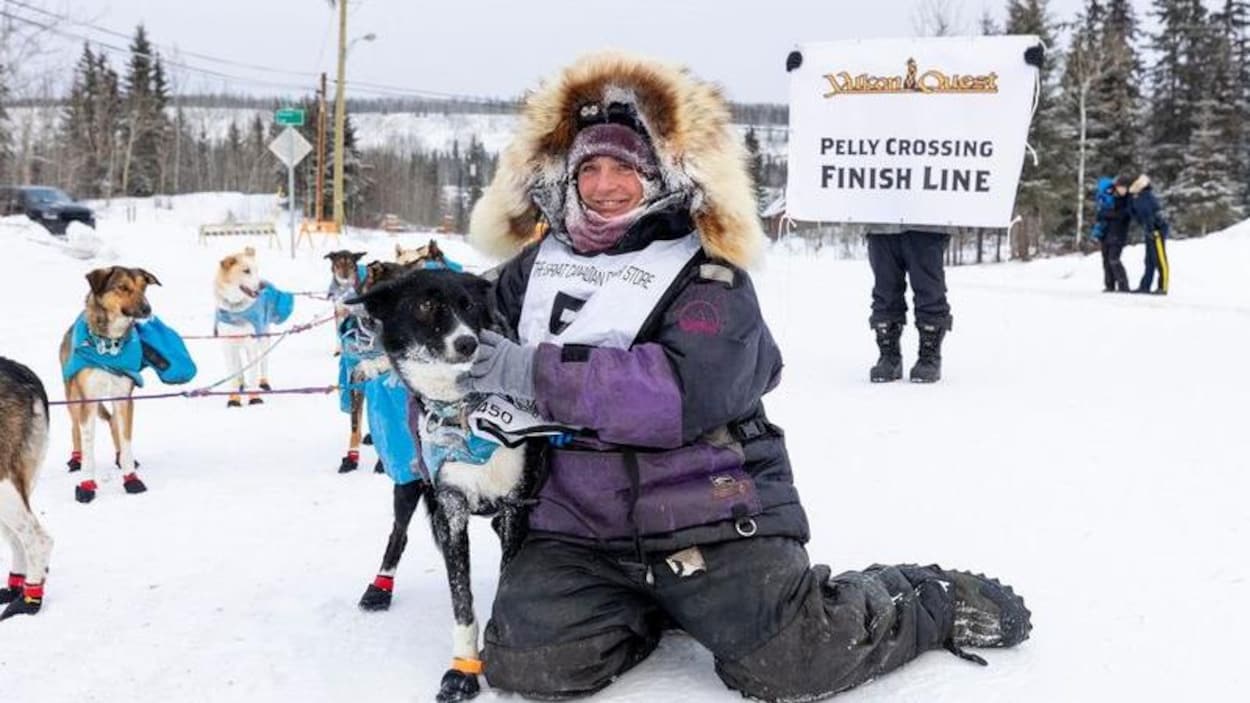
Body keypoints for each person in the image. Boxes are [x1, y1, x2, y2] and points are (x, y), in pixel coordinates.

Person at [459, 52, 1031, 702]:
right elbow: (462, 346)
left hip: (709, 513)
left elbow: (676, 393)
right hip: (577, 526)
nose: (606, 184)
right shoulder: (534, 268)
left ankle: (925, 598)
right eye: (590, 167)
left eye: (626, 166)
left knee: (792, 661)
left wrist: (532, 372)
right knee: (527, 665)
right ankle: (646, 603)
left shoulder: (709, 274)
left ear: (661, 174)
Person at [865, 226, 956, 383]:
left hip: (927, 223)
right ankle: (889, 355)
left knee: (929, 291)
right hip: (881, 223)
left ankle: (929, 355)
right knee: (885, 291)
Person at [1128, 174, 1170, 295]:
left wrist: (1153, 230)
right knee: (1149, 260)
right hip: (1148, 230)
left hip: (1157, 230)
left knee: (1160, 259)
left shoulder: (1146, 197)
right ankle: (1145, 286)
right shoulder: (1135, 197)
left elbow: (1150, 215)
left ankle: (1163, 286)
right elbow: (1135, 215)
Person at [1094, 176, 1132, 293]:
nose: (1121, 190)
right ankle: (1109, 285)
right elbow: (1101, 215)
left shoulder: (1127, 200)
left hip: (1118, 233)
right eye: (1119, 187)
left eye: (1123, 188)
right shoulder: (1109, 199)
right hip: (1106, 233)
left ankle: (1123, 285)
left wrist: (1108, 214)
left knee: (1114, 259)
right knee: (1106, 260)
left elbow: (1123, 215)